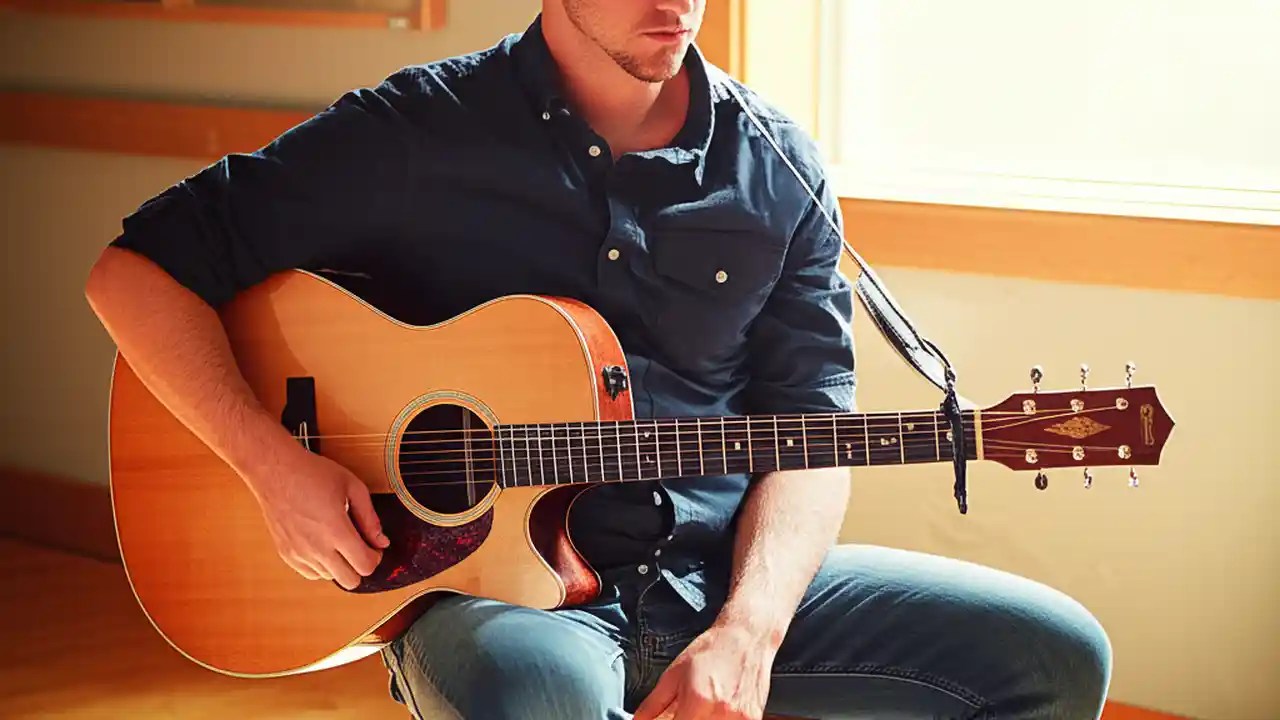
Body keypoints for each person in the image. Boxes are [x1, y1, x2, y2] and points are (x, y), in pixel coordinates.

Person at [85, 1, 1112, 718]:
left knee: (1051, 656)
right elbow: (133, 275)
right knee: (535, 699)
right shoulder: (413, 133)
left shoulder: (779, 169)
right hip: (492, 597)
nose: (675, 3)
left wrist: (747, 633)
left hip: (717, 576)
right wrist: (269, 463)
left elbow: (812, 429)